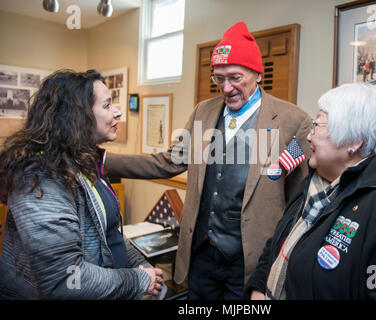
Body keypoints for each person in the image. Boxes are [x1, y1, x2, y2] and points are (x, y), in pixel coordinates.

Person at [104, 21, 312, 300]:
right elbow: (168, 162)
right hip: (202, 256)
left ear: (257, 73)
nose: (226, 88)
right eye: (219, 78)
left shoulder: (293, 121)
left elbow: (300, 197)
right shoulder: (204, 112)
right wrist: (102, 160)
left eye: (235, 77)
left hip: (249, 262)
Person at [245, 83, 376, 300]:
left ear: (354, 141)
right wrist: (258, 292)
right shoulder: (316, 180)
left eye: (318, 124)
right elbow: (276, 244)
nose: (309, 136)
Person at [0, 70, 164, 299]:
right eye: (107, 106)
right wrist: (136, 280)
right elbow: (66, 280)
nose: (117, 112)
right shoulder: (41, 179)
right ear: (77, 116)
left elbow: (106, 233)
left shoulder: (82, 162)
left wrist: (141, 265)